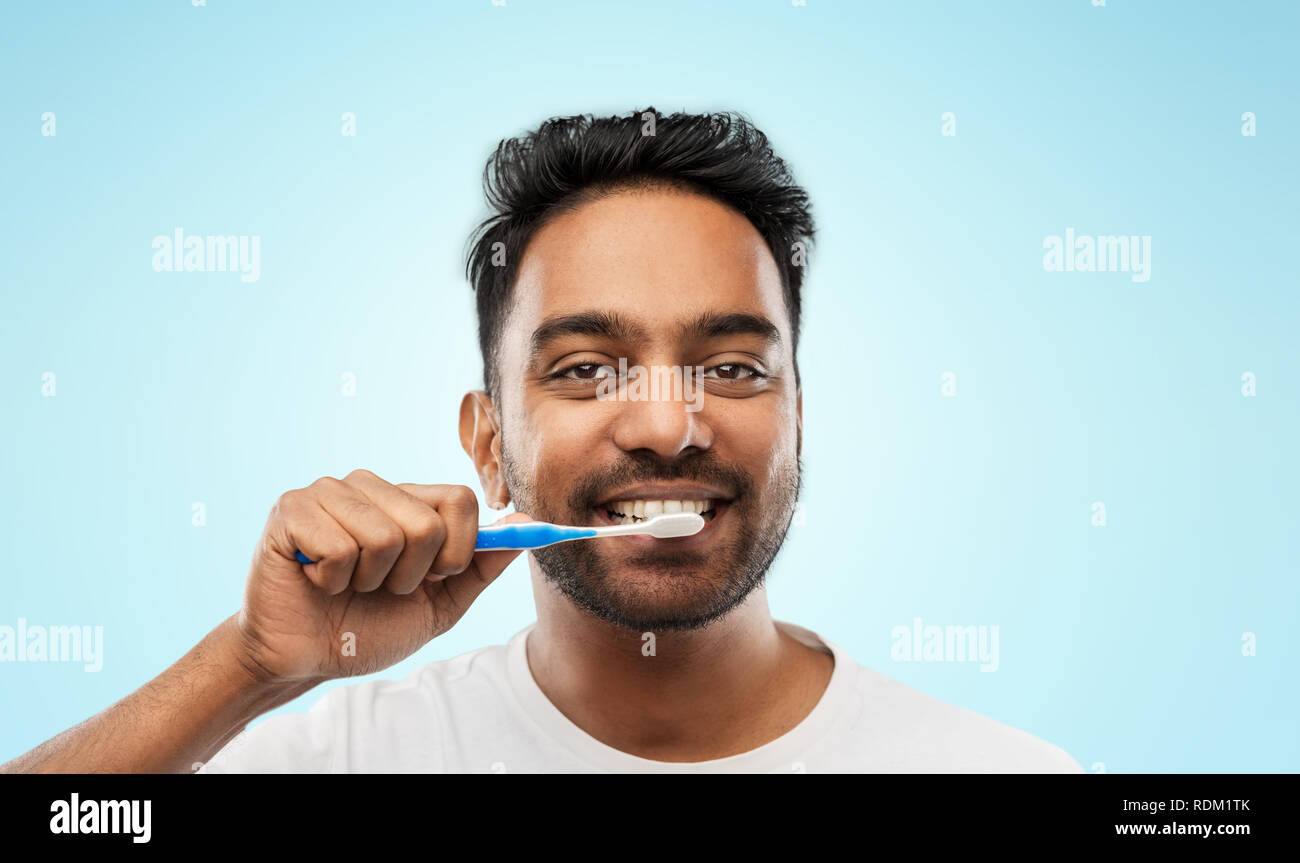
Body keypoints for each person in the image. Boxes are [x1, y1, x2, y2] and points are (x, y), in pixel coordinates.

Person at [3, 108, 1082, 773]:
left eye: (733, 366)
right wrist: (241, 669)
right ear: (487, 438)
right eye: (584, 368)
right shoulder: (330, 758)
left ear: (797, 414)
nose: (668, 422)